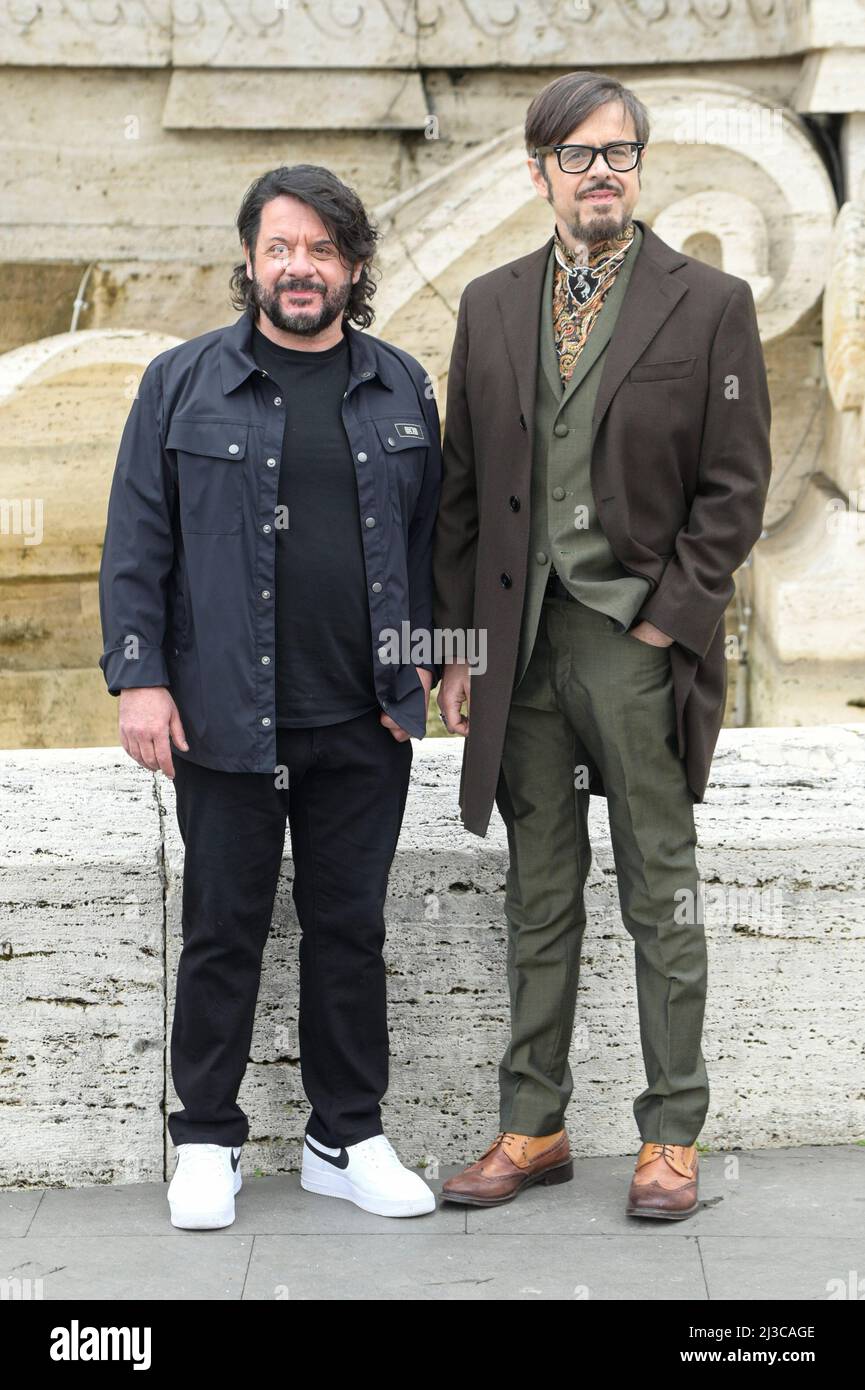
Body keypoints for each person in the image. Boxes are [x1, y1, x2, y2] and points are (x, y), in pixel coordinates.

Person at [432, 72, 772, 1215]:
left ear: (639, 166)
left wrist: (664, 615)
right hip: (519, 648)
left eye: (619, 152)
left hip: (633, 643)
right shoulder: (487, 305)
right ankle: (533, 1126)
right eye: (576, 155)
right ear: (538, 174)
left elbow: (734, 491)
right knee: (540, 894)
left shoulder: (710, 303)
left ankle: (672, 1134)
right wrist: (454, 649)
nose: (601, 173)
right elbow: (461, 497)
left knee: (659, 895)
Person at [98, 164, 442, 1227]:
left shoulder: (399, 384)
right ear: (249, 259)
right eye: (281, 247)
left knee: (349, 926)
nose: (301, 268)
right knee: (222, 926)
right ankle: (206, 1140)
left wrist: (428, 665)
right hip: (221, 712)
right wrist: (139, 675)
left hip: (363, 715)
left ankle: (348, 1135)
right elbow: (135, 538)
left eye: (323, 250)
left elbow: (436, 543)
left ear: (352, 266)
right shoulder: (181, 381)